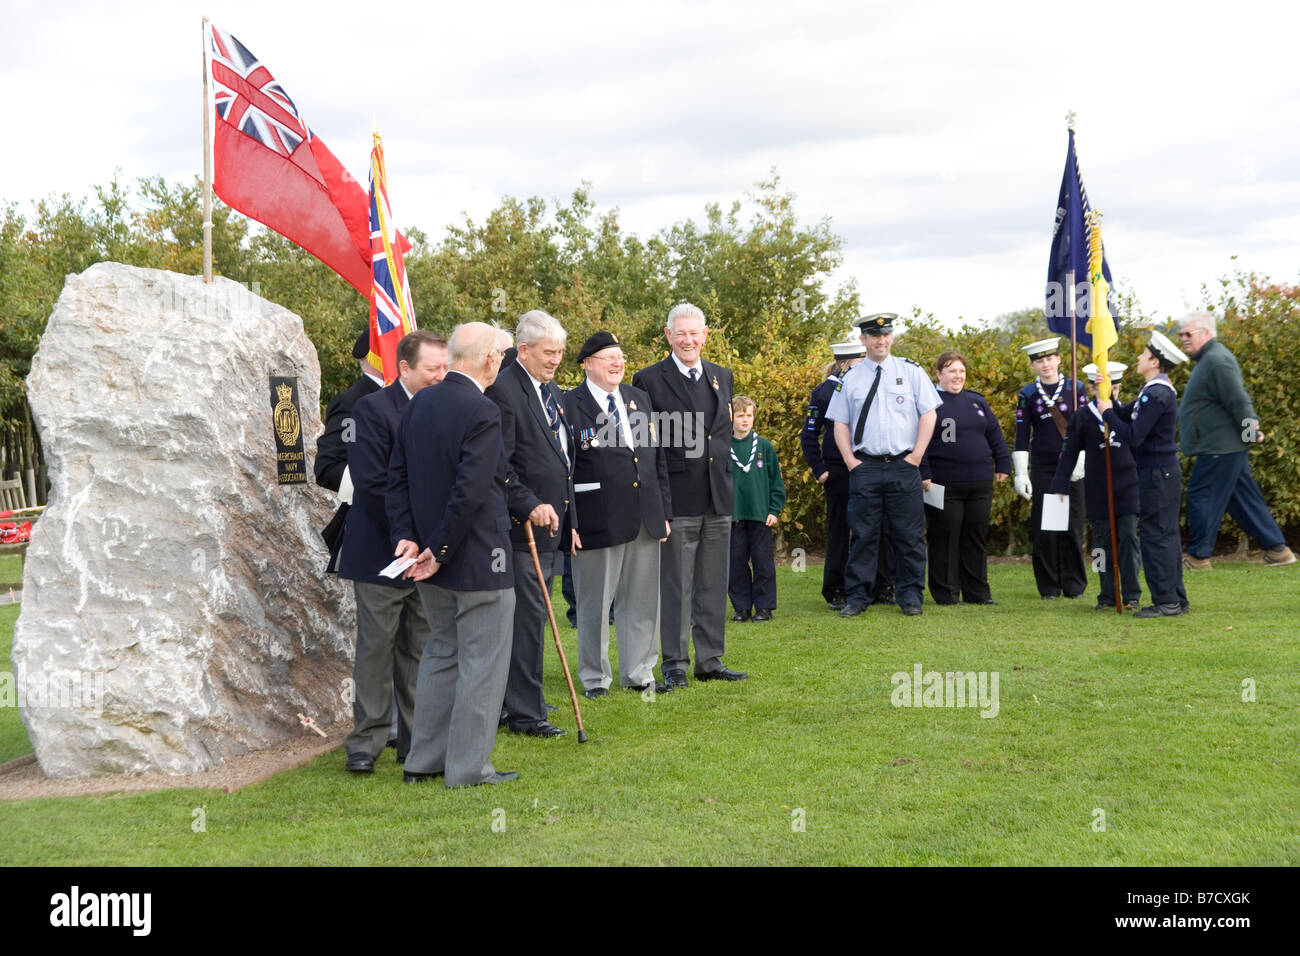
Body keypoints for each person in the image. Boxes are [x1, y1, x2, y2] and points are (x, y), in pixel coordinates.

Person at [386, 322, 519, 788]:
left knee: (442, 652)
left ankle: (423, 760)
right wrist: (439, 550)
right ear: (489, 360)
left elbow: (397, 476)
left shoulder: (419, 400)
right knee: (482, 663)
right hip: (475, 557)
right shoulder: (481, 410)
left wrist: (409, 538)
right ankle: (467, 769)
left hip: (429, 554)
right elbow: (471, 491)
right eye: (500, 354)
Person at [339, 331, 447, 773]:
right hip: (381, 553)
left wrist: (435, 542)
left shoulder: (443, 409)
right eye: (432, 369)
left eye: (446, 367)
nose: (442, 377)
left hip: (428, 558)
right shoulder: (371, 409)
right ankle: (365, 742)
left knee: (419, 649)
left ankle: (415, 740)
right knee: (376, 649)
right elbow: (374, 482)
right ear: (404, 368)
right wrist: (412, 535)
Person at [632, 302, 747, 686]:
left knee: (714, 582)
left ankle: (710, 660)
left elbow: (721, 433)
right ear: (668, 336)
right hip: (677, 499)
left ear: (705, 336)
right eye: (680, 333)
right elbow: (647, 447)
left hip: (718, 496)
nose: (687, 339)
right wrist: (658, 504)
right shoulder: (648, 380)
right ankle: (675, 665)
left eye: (693, 333)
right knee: (676, 587)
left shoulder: (721, 376)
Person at [563, 331, 672, 698]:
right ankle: (595, 679)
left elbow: (655, 459)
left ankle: (639, 672)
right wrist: (571, 523)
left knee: (642, 601)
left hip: (644, 516)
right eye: (609, 356)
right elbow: (565, 469)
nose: (617, 363)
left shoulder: (638, 398)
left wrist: (664, 512)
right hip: (597, 519)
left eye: (620, 356)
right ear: (587, 364)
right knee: (594, 603)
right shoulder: (568, 404)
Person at [485, 310, 575, 739]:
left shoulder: (550, 388)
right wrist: (529, 504)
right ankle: (523, 713)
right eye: (548, 352)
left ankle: (525, 695)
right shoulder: (504, 392)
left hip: (551, 527)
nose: (556, 359)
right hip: (519, 532)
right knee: (528, 618)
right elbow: (499, 466)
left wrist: (567, 517)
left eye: (559, 352)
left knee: (534, 616)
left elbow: (561, 459)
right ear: (523, 350)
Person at [827, 312, 940, 617]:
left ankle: (911, 596)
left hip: (904, 466)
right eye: (874, 337)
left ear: (891, 337)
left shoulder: (912, 372)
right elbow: (840, 423)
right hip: (866, 467)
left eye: (885, 335)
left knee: (910, 536)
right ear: (863, 341)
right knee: (863, 535)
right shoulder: (850, 378)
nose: (881, 341)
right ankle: (857, 597)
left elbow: (929, 414)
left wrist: (916, 456)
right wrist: (851, 461)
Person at [1175, 312, 1295, 568]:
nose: (1183, 339)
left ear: (1207, 333)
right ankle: (1278, 551)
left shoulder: (1217, 361)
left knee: (1200, 496)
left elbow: (1239, 400)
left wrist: (1250, 434)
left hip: (1220, 448)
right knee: (1243, 500)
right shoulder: (1209, 360)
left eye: (1188, 334)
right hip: (1224, 447)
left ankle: (1198, 557)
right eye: (1181, 334)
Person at [1098, 330, 1191, 617]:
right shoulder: (1153, 391)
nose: (1138, 357)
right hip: (1161, 472)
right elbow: (1127, 414)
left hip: (1156, 473)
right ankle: (1175, 598)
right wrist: (1108, 397)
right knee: (1165, 534)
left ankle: (1167, 601)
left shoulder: (1156, 394)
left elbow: (1133, 435)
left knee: (1156, 536)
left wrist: (1106, 414)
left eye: (1143, 354)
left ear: (1154, 361)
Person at [919, 351, 1011, 605]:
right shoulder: (929, 402)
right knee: (944, 538)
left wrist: (1003, 463)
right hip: (942, 484)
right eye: (951, 371)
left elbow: (994, 435)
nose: (957, 376)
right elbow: (919, 441)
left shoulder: (977, 402)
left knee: (975, 538)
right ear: (938, 374)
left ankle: (978, 593)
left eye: (961, 371)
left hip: (979, 483)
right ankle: (946, 593)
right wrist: (923, 471)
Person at [1050, 362, 1140, 612]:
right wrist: (1060, 483)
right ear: (1090, 388)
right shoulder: (1082, 417)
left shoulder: (1126, 414)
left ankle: (1131, 594)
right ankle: (1107, 594)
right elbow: (1068, 452)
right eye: (1100, 387)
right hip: (1098, 489)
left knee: (1129, 538)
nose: (1110, 392)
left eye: (1114, 387)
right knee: (1101, 543)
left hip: (1128, 487)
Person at [1012, 337, 1090, 599]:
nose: (1045, 364)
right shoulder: (1028, 394)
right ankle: (1048, 586)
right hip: (1045, 468)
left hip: (1073, 465)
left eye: (1049, 359)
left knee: (1072, 527)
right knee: (1047, 528)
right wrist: (1021, 472)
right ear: (1033, 365)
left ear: (1058, 359)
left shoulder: (1076, 388)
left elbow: (1088, 426)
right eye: (1039, 360)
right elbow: (1022, 435)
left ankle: (1074, 585)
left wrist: (1083, 458)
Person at [316, 329, 383, 572]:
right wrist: (381, 483)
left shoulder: (415, 399)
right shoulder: (352, 402)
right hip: (369, 526)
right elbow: (328, 466)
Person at [728, 396, 786, 622]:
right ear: (731, 417)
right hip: (733, 516)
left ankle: (764, 607)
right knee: (735, 564)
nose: (745, 420)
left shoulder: (764, 446)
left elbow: (776, 482)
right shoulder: (723, 446)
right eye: (740, 415)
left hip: (761, 515)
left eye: (749, 415)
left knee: (763, 562)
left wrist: (774, 509)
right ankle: (742, 607)